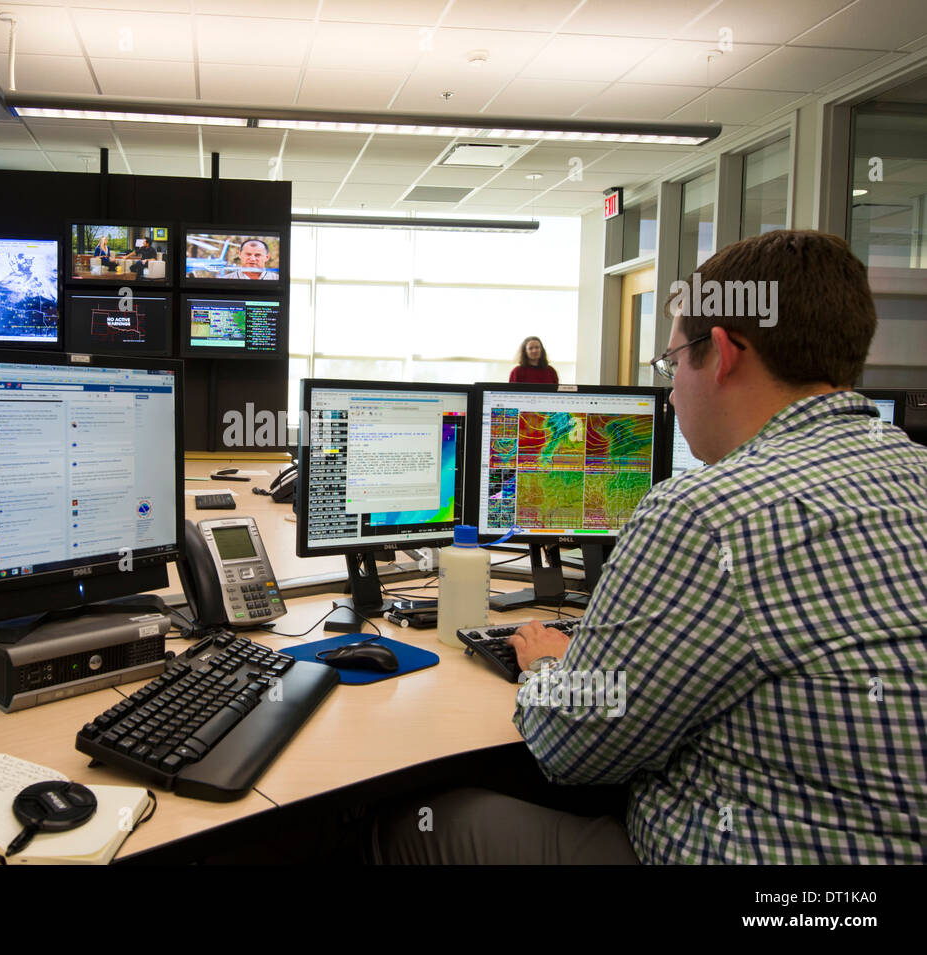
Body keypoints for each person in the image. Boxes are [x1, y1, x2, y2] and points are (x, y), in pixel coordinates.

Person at [373, 230, 927, 864]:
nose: (669, 393)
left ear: (721, 353)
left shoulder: (708, 511)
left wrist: (550, 667)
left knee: (416, 825)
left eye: (671, 365)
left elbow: (571, 748)